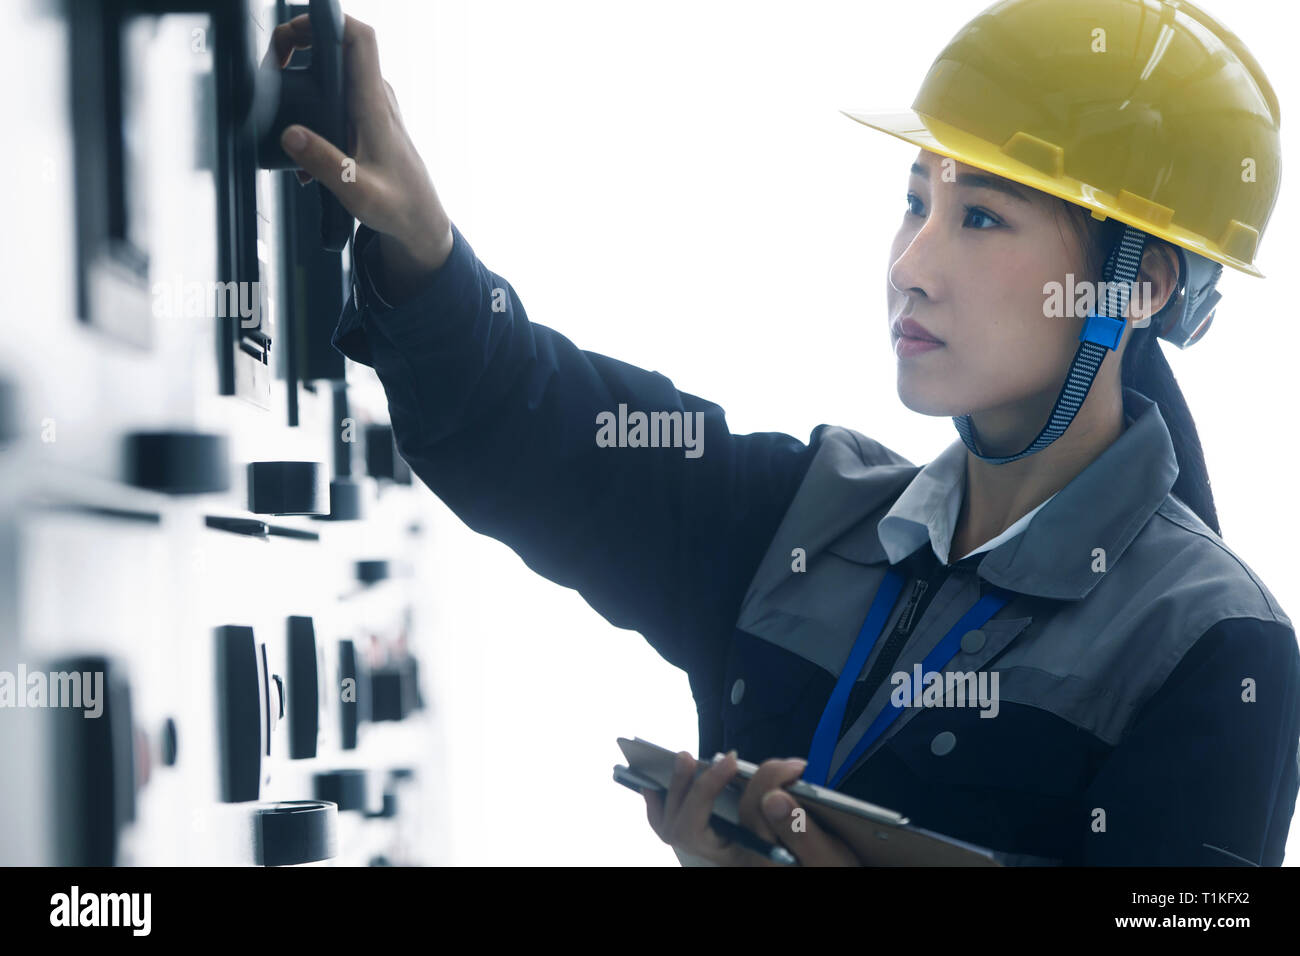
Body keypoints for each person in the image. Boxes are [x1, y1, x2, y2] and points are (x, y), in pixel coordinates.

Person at [272, 0, 1299, 866]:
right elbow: (530, 422)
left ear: (1138, 285)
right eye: (914, 202)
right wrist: (414, 242)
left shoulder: (1211, 648)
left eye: (980, 217)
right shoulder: (806, 514)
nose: (910, 262)